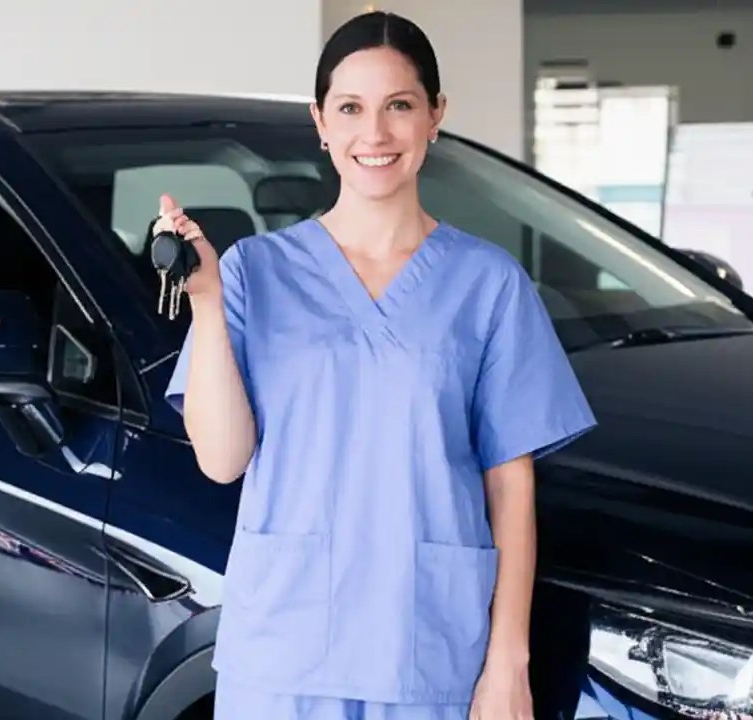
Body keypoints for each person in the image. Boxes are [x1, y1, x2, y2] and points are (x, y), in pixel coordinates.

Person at [157, 10, 598, 720]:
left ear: (435, 116)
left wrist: (508, 663)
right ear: (321, 122)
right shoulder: (250, 273)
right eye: (351, 108)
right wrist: (206, 303)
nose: (375, 134)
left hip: (429, 650)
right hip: (283, 652)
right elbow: (223, 459)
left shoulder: (488, 284)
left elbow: (511, 489)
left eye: (399, 106)